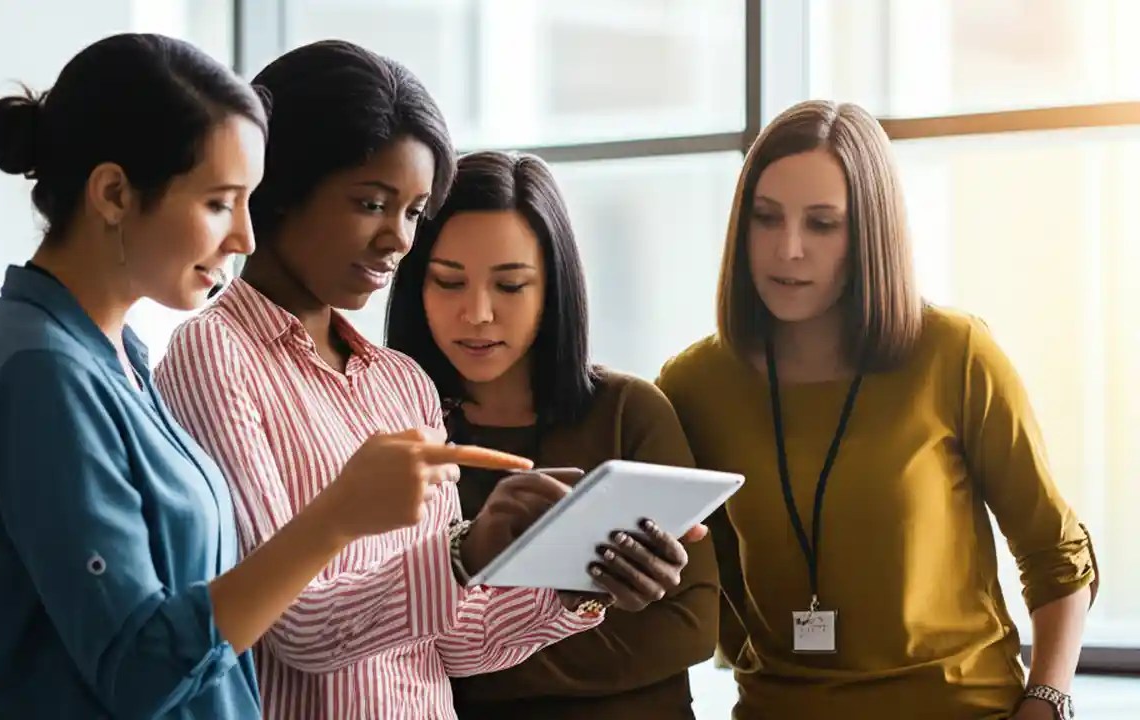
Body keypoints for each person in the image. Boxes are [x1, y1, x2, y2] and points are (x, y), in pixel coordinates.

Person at [0, 33, 531, 719]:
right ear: (113, 194)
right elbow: (142, 667)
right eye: (221, 202)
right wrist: (338, 517)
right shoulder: (43, 375)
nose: (245, 237)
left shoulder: (118, 357)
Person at [153, 40, 698, 720]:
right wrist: (466, 549)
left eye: (413, 212)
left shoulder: (402, 383)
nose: (400, 241)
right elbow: (294, 627)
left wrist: (572, 585)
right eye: (372, 203)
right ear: (282, 186)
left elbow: (451, 645)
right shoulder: (213, 355)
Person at [656, 100, 1099, 720]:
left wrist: (1047, 701)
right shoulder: (694, 385)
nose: (788, 249)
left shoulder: (955, 353)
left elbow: (1056, 555)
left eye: (821, 223)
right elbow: (702, 574)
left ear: (869, 232)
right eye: (765, 218)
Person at [384, 150, 721, 720]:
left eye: (511, 286)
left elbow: (690, 627)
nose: (478, 314)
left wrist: (472, 666)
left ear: (553, 290)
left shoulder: (628, 411)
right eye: (448, 282)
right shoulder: (397, 433)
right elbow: (389, 634)